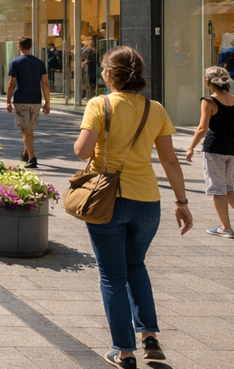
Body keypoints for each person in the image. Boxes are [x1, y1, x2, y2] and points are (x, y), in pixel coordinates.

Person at [73, 46, 192, 368]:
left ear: (111, 74)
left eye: (102, 69)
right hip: (148, 202)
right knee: (136, 265)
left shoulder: (100, 104)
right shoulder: (155, 109)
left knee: (112, 276)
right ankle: (149, 335)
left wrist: (92, 140)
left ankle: (124, 352)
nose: (100, 74)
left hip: (107, 201)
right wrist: (181, 202)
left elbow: (82, 152)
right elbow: (169, 159)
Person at [184, 66, 234, 240]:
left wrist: (190, 148)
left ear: (207, 81)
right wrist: (230, 129)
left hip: (215, 149)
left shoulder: (208, 101)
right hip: (233, 149)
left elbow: (202, 128)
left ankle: (226, 228)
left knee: (218, 190)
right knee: (228, 188)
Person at [6, 37, 50, 169]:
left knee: (25, 129)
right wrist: (47, 102)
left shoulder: (15, 62)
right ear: (30, 46)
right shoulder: (39, 63)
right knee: (29, 128)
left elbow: (11, 83)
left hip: (21, 100)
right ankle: (26, 153)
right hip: (36, 100)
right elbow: (45, 84)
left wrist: (8, 100)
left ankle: (32, 158)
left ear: (19, 45)